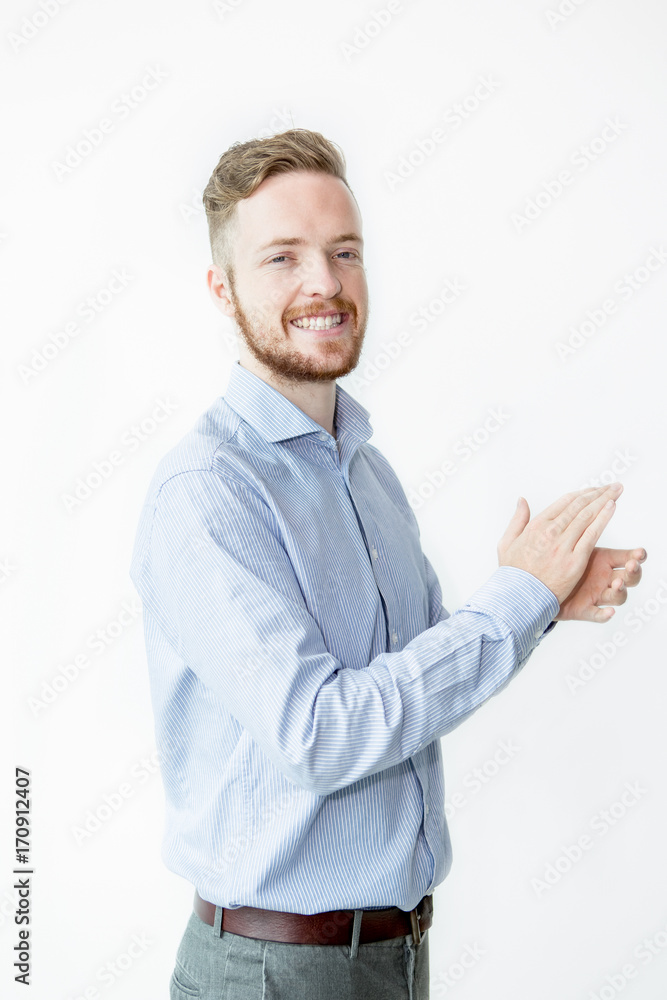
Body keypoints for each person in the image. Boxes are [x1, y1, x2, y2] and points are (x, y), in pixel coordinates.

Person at [129, 129, 646, 1000]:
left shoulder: (365, 469)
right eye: (282, 258)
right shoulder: (203, 493)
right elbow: (323, 734)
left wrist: (541, 603)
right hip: (276, 975)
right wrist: (514, 599)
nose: (323, 283)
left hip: (392, 960)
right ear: (221, 289)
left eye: (344, 252)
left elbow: (404, 692)